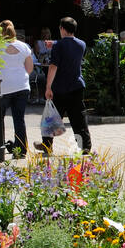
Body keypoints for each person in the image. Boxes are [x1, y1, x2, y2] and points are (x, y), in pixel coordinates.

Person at [36, 16, 92, 155]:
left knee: (51, 117)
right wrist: (54, 43)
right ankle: (85, 146)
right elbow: (70, 44)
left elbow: (53, 66)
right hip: (77, 86)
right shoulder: (82, 44)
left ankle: (47, 146)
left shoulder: (59, 46)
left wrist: (48, 87)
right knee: (78, 118)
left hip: (59, 88)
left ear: (62, 28)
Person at [0, 20, 34, 157]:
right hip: (22, 87)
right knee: (19, 119)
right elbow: (29, 68)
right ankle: (21, 151)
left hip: (3, 88)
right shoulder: (24, 46)